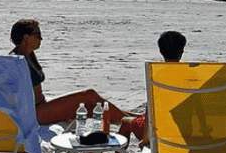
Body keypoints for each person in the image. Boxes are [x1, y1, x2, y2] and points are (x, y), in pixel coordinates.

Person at [9, 19, 138, 127]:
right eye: (38, 35)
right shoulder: (18, 61)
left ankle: (136, 120)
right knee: (89, 95)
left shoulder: (29, 56)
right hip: (34, 113)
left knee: (91, 107)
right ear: (26, 37)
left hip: (39, 108)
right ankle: (136, 123)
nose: (41, 39)